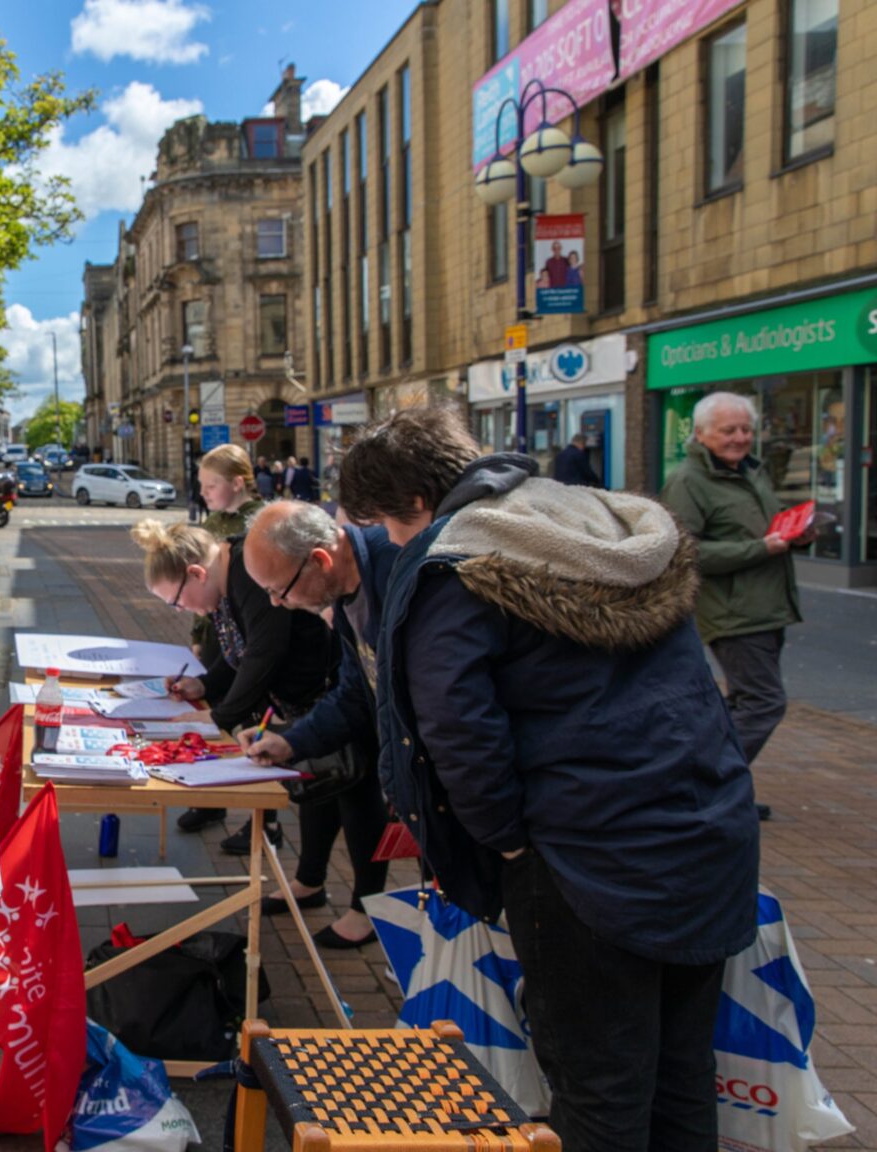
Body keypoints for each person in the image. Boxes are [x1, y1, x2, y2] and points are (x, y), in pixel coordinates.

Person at [338, 408, 759, 1152]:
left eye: (386, 526)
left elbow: (454, 725)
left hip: (584, 860)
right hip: (705, 829)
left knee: (597, 1091)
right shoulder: (597, 515)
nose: (390, 545)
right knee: (681, 1077)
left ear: (411, 503)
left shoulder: (456, 556)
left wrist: (504, 845)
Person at [239, 502, 399, 948]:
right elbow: (354, 691)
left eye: (280, 589)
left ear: (320, 561)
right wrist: (289, 742)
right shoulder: (348, 594)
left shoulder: (393, 572)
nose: (276, 603)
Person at [132, 521, 334, 854]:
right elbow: (239, 652)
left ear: (197, 573)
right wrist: (204, 685)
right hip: (300, 696)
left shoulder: (245, 572)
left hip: (322, 689)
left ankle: (333, 891)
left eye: (177, 601)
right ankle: (308, 882)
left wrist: (219, 717)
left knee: (339, 792)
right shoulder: (222, 584)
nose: (182, 610)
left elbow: (265, 650)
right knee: (318, 792)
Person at [662, 391, 808, 823]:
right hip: (732, 611)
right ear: (703, 434)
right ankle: (709, 790)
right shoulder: (690, 480)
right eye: (729, 430)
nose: (740, 438)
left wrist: (796, 533)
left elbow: (765, 527)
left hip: (767, 605)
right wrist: (760, 548)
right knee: (764, 702)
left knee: (742, 703)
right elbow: (682, 550)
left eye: (745, 429)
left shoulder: (750, 471)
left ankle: (717, 786)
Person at [176, 444, 268, 836]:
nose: (205, 492)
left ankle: (263, 818)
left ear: (238, 483)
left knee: (251, 717)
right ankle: (210, 798)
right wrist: (198, 636)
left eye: (211, 485)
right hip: (217, 630)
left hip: (251, 628)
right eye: (202, 485)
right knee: (213, 707)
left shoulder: (260, 522)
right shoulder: (212, 523)